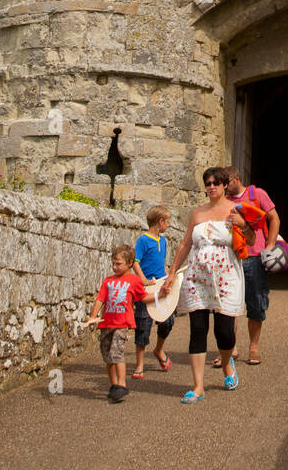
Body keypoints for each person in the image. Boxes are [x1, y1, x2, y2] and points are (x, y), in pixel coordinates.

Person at [159, 167, 250, 400]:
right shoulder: (198, 213)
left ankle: (228, 364)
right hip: (197, 277)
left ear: (224, 185)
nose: (211, 187)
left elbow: (251, 239)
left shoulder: (236, 210)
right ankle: (198, 386)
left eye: (215, 183)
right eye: (207, 183)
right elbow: (186, 244)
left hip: (226, 277)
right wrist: (172, 273)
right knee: (198, 329)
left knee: (225, 332)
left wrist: (243, 224)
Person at [85, 244, 158, 402]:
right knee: (107, 357)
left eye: (118, 264)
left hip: (121, 324)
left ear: (130, 263)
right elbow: (100, 299)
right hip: (106, 324)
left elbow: (143, 298)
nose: (114, 267)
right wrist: (92, 316)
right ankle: (113, 385)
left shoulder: (134, 280)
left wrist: (160, 295)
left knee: (117, 353)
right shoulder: (108, 281)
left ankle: (122, 384)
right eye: (113, 263)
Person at [224, 167, 279, 366]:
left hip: (254, 256)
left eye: (226, 182)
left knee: (256, 302)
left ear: (236, 179)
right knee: (228, 305)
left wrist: (270, 245)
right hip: (230, 257)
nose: (222, 186)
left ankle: (253, 347)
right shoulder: (223, 201)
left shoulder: (257, 194)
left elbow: (274, 218)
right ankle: (230, 348)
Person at [131, 206, 174, 378]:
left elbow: (162, 261)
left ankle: (159, 349)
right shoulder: (143, 240)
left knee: (168, 321)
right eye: (167, 222)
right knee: (143, 325)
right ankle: (139, 365)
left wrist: (167, 274)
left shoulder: (163, 241)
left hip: (162, 286)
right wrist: (142, 279)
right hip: (146, 289)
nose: (168, 225)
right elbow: (135, 261)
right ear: (160, 222)